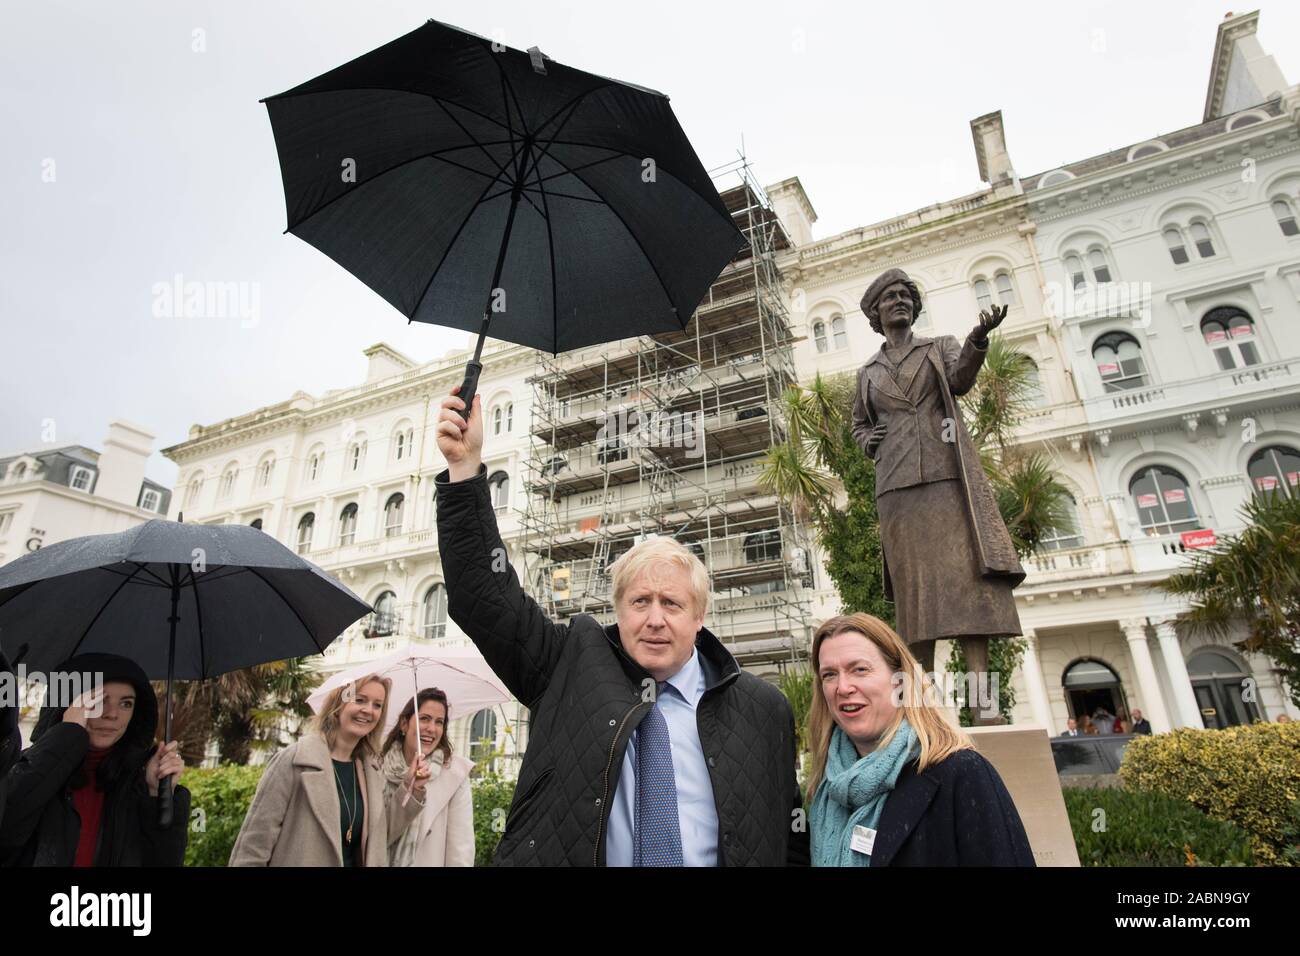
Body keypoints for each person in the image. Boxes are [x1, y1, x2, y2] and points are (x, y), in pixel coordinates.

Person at [435, 388, 808, 866]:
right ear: (618, 609)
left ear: (699, 617)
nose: (654, 619)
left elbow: (790, 840)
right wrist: (465, 470)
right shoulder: (568, 667)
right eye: (640, 601)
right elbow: (483, 598)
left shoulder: (763, 710)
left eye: (671, 603)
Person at [849, 270, 1025, 719]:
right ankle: (919, 708)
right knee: (915, 601)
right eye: (890, 297)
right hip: (897, 490)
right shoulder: (867, 372)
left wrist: (978, 340)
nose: (900, 301)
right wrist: (869, 440)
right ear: (876, 313)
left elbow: (961, 379)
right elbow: (858, 424)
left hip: (947, 480)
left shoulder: (938, 347)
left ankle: (984, 705)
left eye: (906, 295)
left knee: (969, 594)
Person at [806, 614, 1033, 866]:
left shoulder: (962, 773)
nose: (843, 687)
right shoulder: (823, 790)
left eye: (859, 669)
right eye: (829, 675)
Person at [0, 652, 190, 866]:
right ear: (68, 703)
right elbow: (7, 829)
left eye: (126, 704)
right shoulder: (26, 768)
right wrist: (67, 734)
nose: (112, 714)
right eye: (99, 700)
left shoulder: (138, 786)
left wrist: (156, 795)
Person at [229, 674, 424, 866]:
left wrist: (412, 786)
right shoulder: (294, 760)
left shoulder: (370, 772)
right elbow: (253, 846)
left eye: (377, 705)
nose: (368, 710)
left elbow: (379, 837)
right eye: (360, 700)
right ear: (338, 707)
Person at [381, 687, 474, 867]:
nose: (432, 729)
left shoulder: (455, 775)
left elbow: (460, 852)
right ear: (404, 724)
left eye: (439, 722)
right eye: (424, 719)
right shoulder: (377, 768)